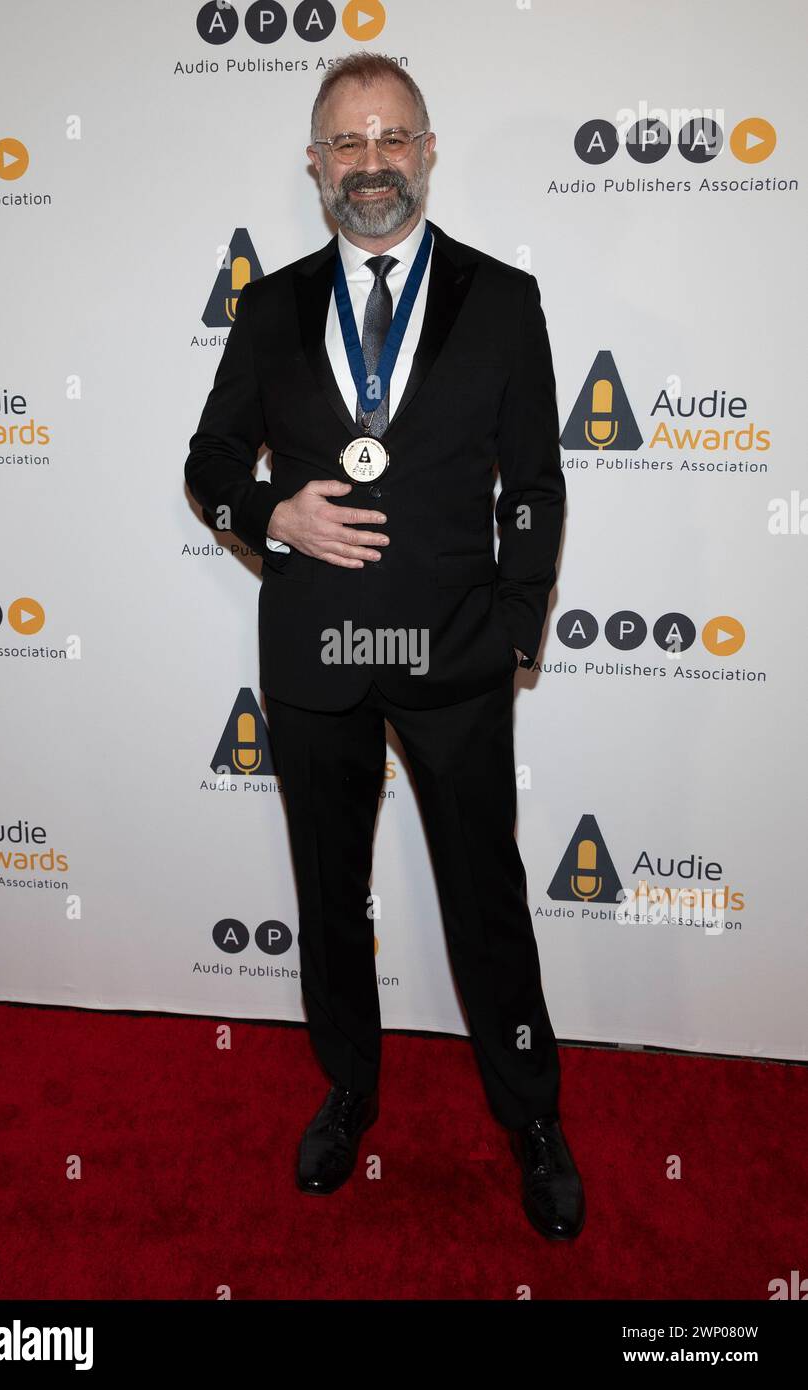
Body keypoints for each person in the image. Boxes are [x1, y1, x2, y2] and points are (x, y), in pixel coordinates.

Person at [185, 52, 584, 1240]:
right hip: (314, 650)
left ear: (425, 152)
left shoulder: (502, 298)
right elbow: (208, 464)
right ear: (315, 167)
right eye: (346, 143)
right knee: (327, 890)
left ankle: (531, 1115)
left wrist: (514, 623)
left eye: (391, 137)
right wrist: (268, 516)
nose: (371, 163)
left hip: (454, 650)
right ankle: (348, 1085)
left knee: (486, 899)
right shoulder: (268, 306)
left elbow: (536, 482)